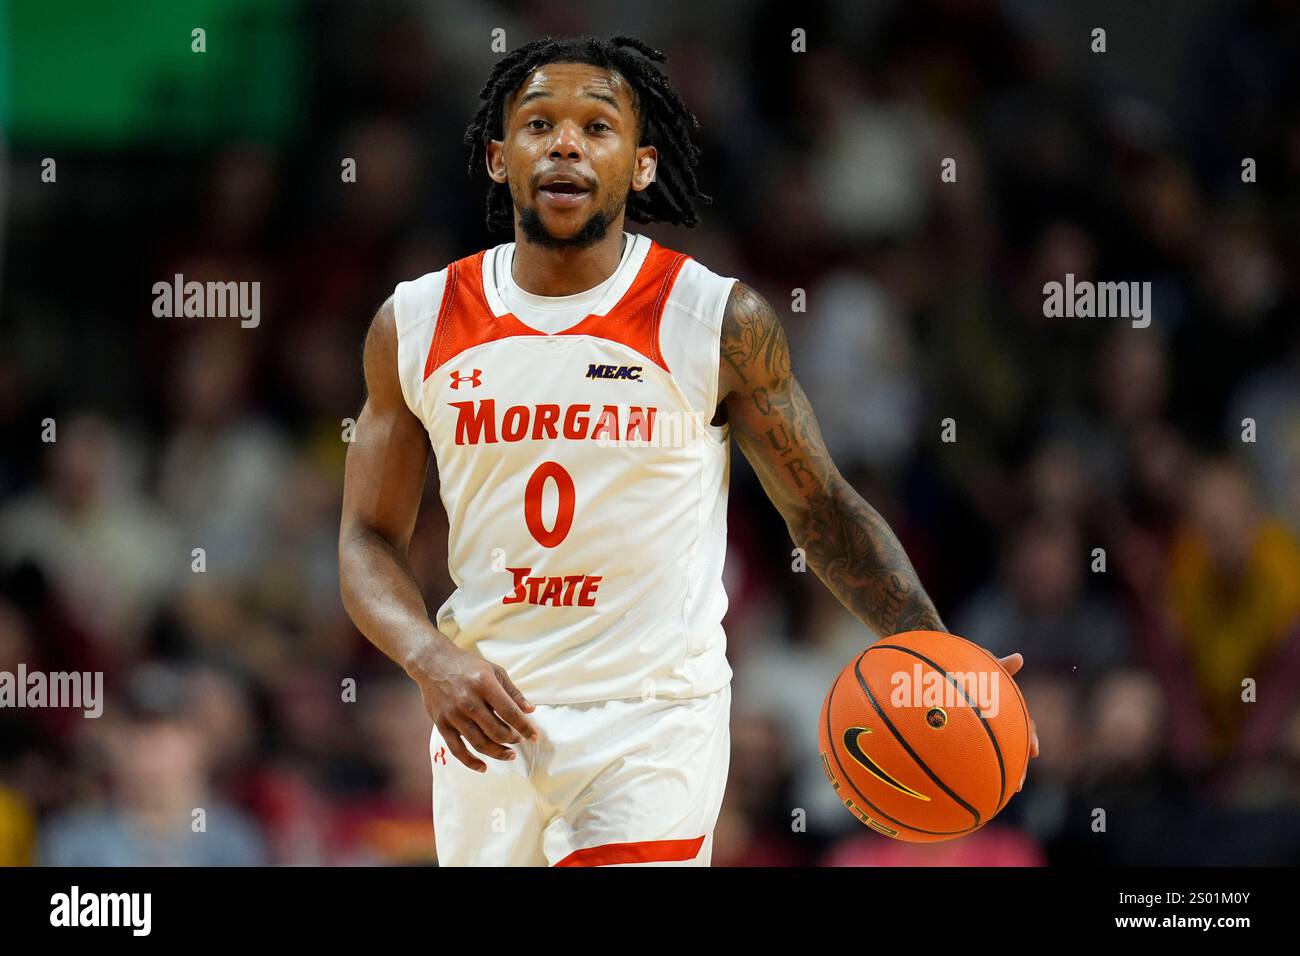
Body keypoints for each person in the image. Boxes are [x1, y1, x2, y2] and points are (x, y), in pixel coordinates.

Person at [338, 34, 1037, 867]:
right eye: (539, 124)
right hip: (485, 721)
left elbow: (819, 507)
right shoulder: (414, 325)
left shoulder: (715, 320)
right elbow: (366, 539)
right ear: (499, 159)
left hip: (653, 720)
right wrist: (428, 658)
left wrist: (933, 651)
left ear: (640, 166)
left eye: (598, 127)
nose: (566, 142)